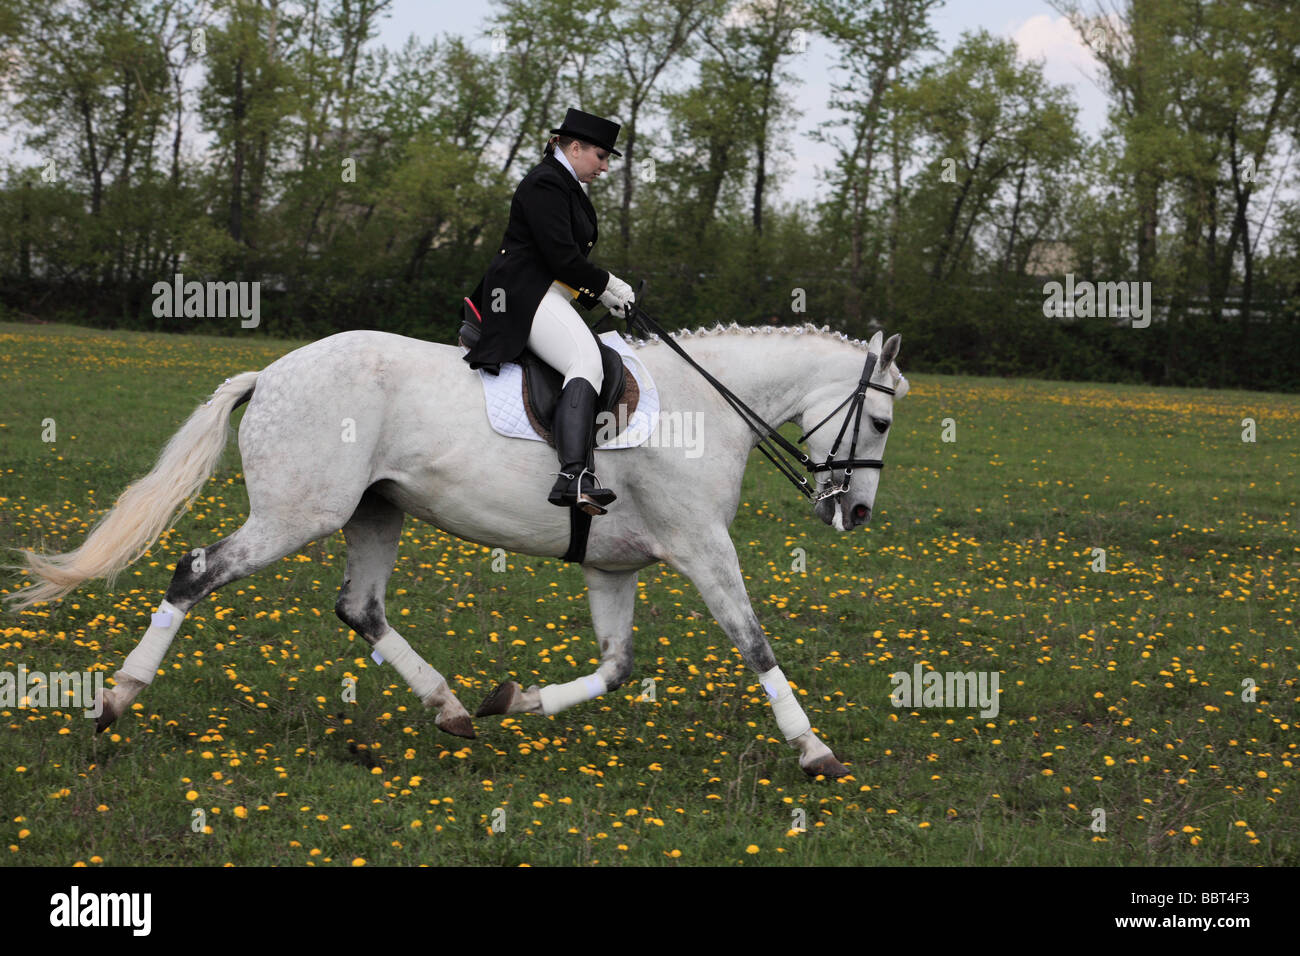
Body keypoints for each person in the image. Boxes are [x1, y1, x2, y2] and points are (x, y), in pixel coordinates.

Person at [463, 108, 636, 516]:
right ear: (574, 147)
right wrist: (607, 283)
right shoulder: (545, 183)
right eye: (601, 156)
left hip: (547, 292)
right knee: (586, 361)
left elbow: (565, 260)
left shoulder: (564, 184)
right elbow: (560, 256)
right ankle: (573, 475)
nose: (606, 167)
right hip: (524, 292)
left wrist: (601, 293)